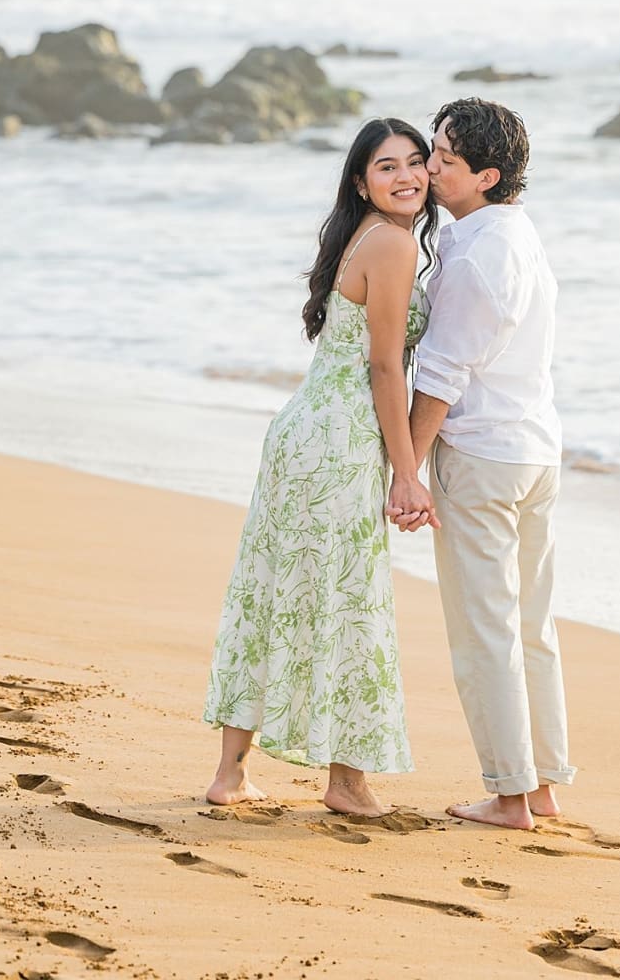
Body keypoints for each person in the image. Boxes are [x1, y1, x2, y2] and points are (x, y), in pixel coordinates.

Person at [203, 117, 439, 817]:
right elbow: (385, 367)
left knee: (272, 595)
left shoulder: (363, 236)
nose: (407, 176)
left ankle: (231, 773)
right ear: (362, 181)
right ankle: (344, 783)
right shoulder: (393, 244)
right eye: (387, 167)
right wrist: (406, 470)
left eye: (416, 162)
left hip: (303, 433)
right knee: (347, 604)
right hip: (338, 444)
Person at [391, 97, 575, 831]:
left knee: (485, 633)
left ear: (487, 174)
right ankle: (542, 785)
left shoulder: (478, 253)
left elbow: (442, 373)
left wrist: (406, 468)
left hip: (486, 460)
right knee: (530, 626)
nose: (428, 169)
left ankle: (507, 795)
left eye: (444, 159)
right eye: (433, 150)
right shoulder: (515, 233)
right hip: (534, 453)